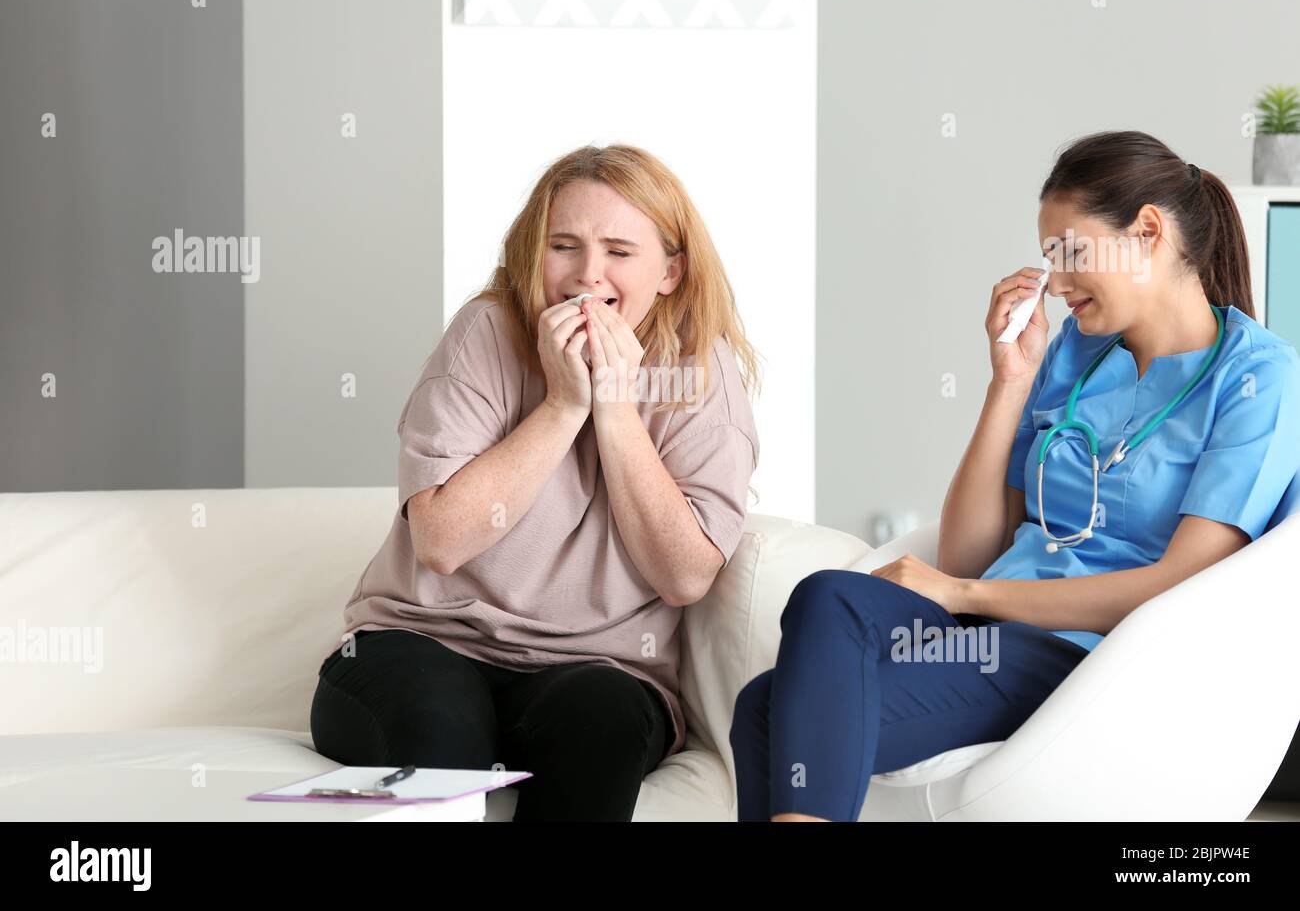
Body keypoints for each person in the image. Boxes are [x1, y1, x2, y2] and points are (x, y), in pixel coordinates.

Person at [730, 129, 1300, 822]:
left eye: (1072, 253)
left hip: (1087, 657)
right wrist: (1010, 380)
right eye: (1049, 258)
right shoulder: (1073, 356)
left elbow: (1177, 585)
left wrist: (967, 593)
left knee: (769, 707)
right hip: (982, 622)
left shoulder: (1260, 379)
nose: (1055, 284)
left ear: (1147, 232)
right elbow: (971, 550)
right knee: (822, 607)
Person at [311, 144, 760, 821]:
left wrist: (613, 408)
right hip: (421, 644)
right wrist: (563, 405)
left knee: (599, 726)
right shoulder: (486, 333)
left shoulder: (700, 372)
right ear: (534, 254)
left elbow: (685, 577)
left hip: (604, 669)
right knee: (441, 740)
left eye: (618, 251)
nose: (588, 275)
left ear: (670, 270)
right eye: (564, 246)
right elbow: (440, 542)